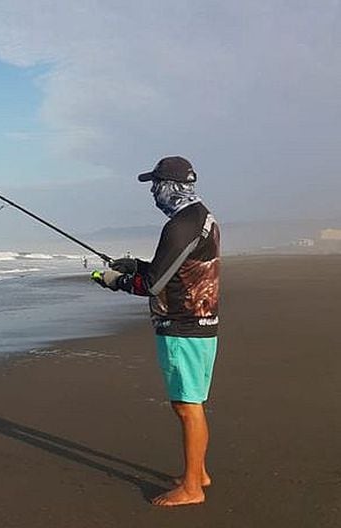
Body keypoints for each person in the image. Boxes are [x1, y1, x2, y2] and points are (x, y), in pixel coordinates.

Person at [91, 156, 220, 507]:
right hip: (201, 322)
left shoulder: (180, 224)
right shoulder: (201, 217)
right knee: (191, 403)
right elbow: (172, 270)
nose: (152, 192)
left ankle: (193, 488)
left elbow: (152, 285)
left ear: (171, 186)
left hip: (183, 326)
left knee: (186, 406)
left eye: (155, 185)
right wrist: (135, 265)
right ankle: (199, 473)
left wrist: (115, 281)